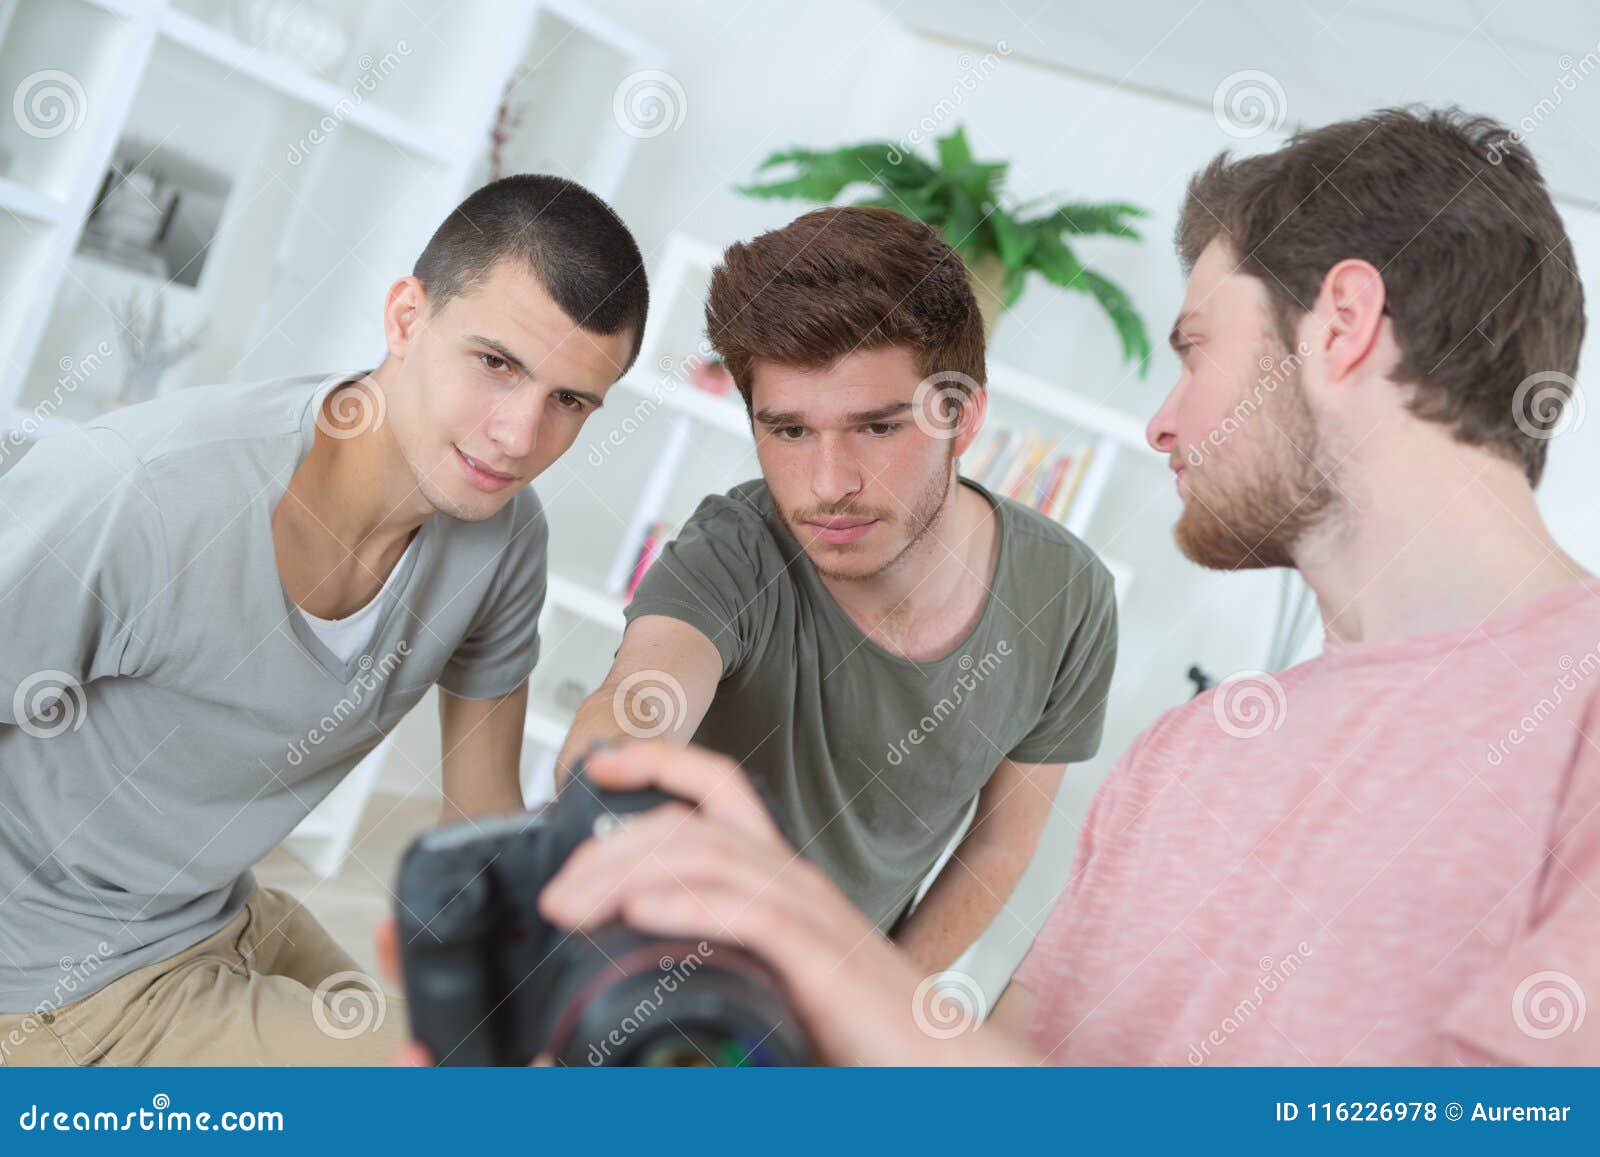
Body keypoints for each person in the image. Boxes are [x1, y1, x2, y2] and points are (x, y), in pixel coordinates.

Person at [520, 108, 1599, 1065]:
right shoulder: (1190, 754)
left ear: (1341, 324)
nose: (1162, 421)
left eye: (1195, 346)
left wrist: (820, 965)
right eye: (787, 430)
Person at [0, 174, 648, 1065]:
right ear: (406, 318)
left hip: (224, 918)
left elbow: (479, 821)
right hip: (51, 990)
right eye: (497, 363)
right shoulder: (141, 493)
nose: (517, 434)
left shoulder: (501, 538)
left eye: (570, 400)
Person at [553, 206, 1119, 972]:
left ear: (963, 414)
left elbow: (1001, 842)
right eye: (789, 431)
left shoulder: (1068, 594)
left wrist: (873, 1012)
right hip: (635, 977)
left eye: (878, 428)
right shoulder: (736, 548)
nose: (829, 484)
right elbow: (638, 694)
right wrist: (609, 771)